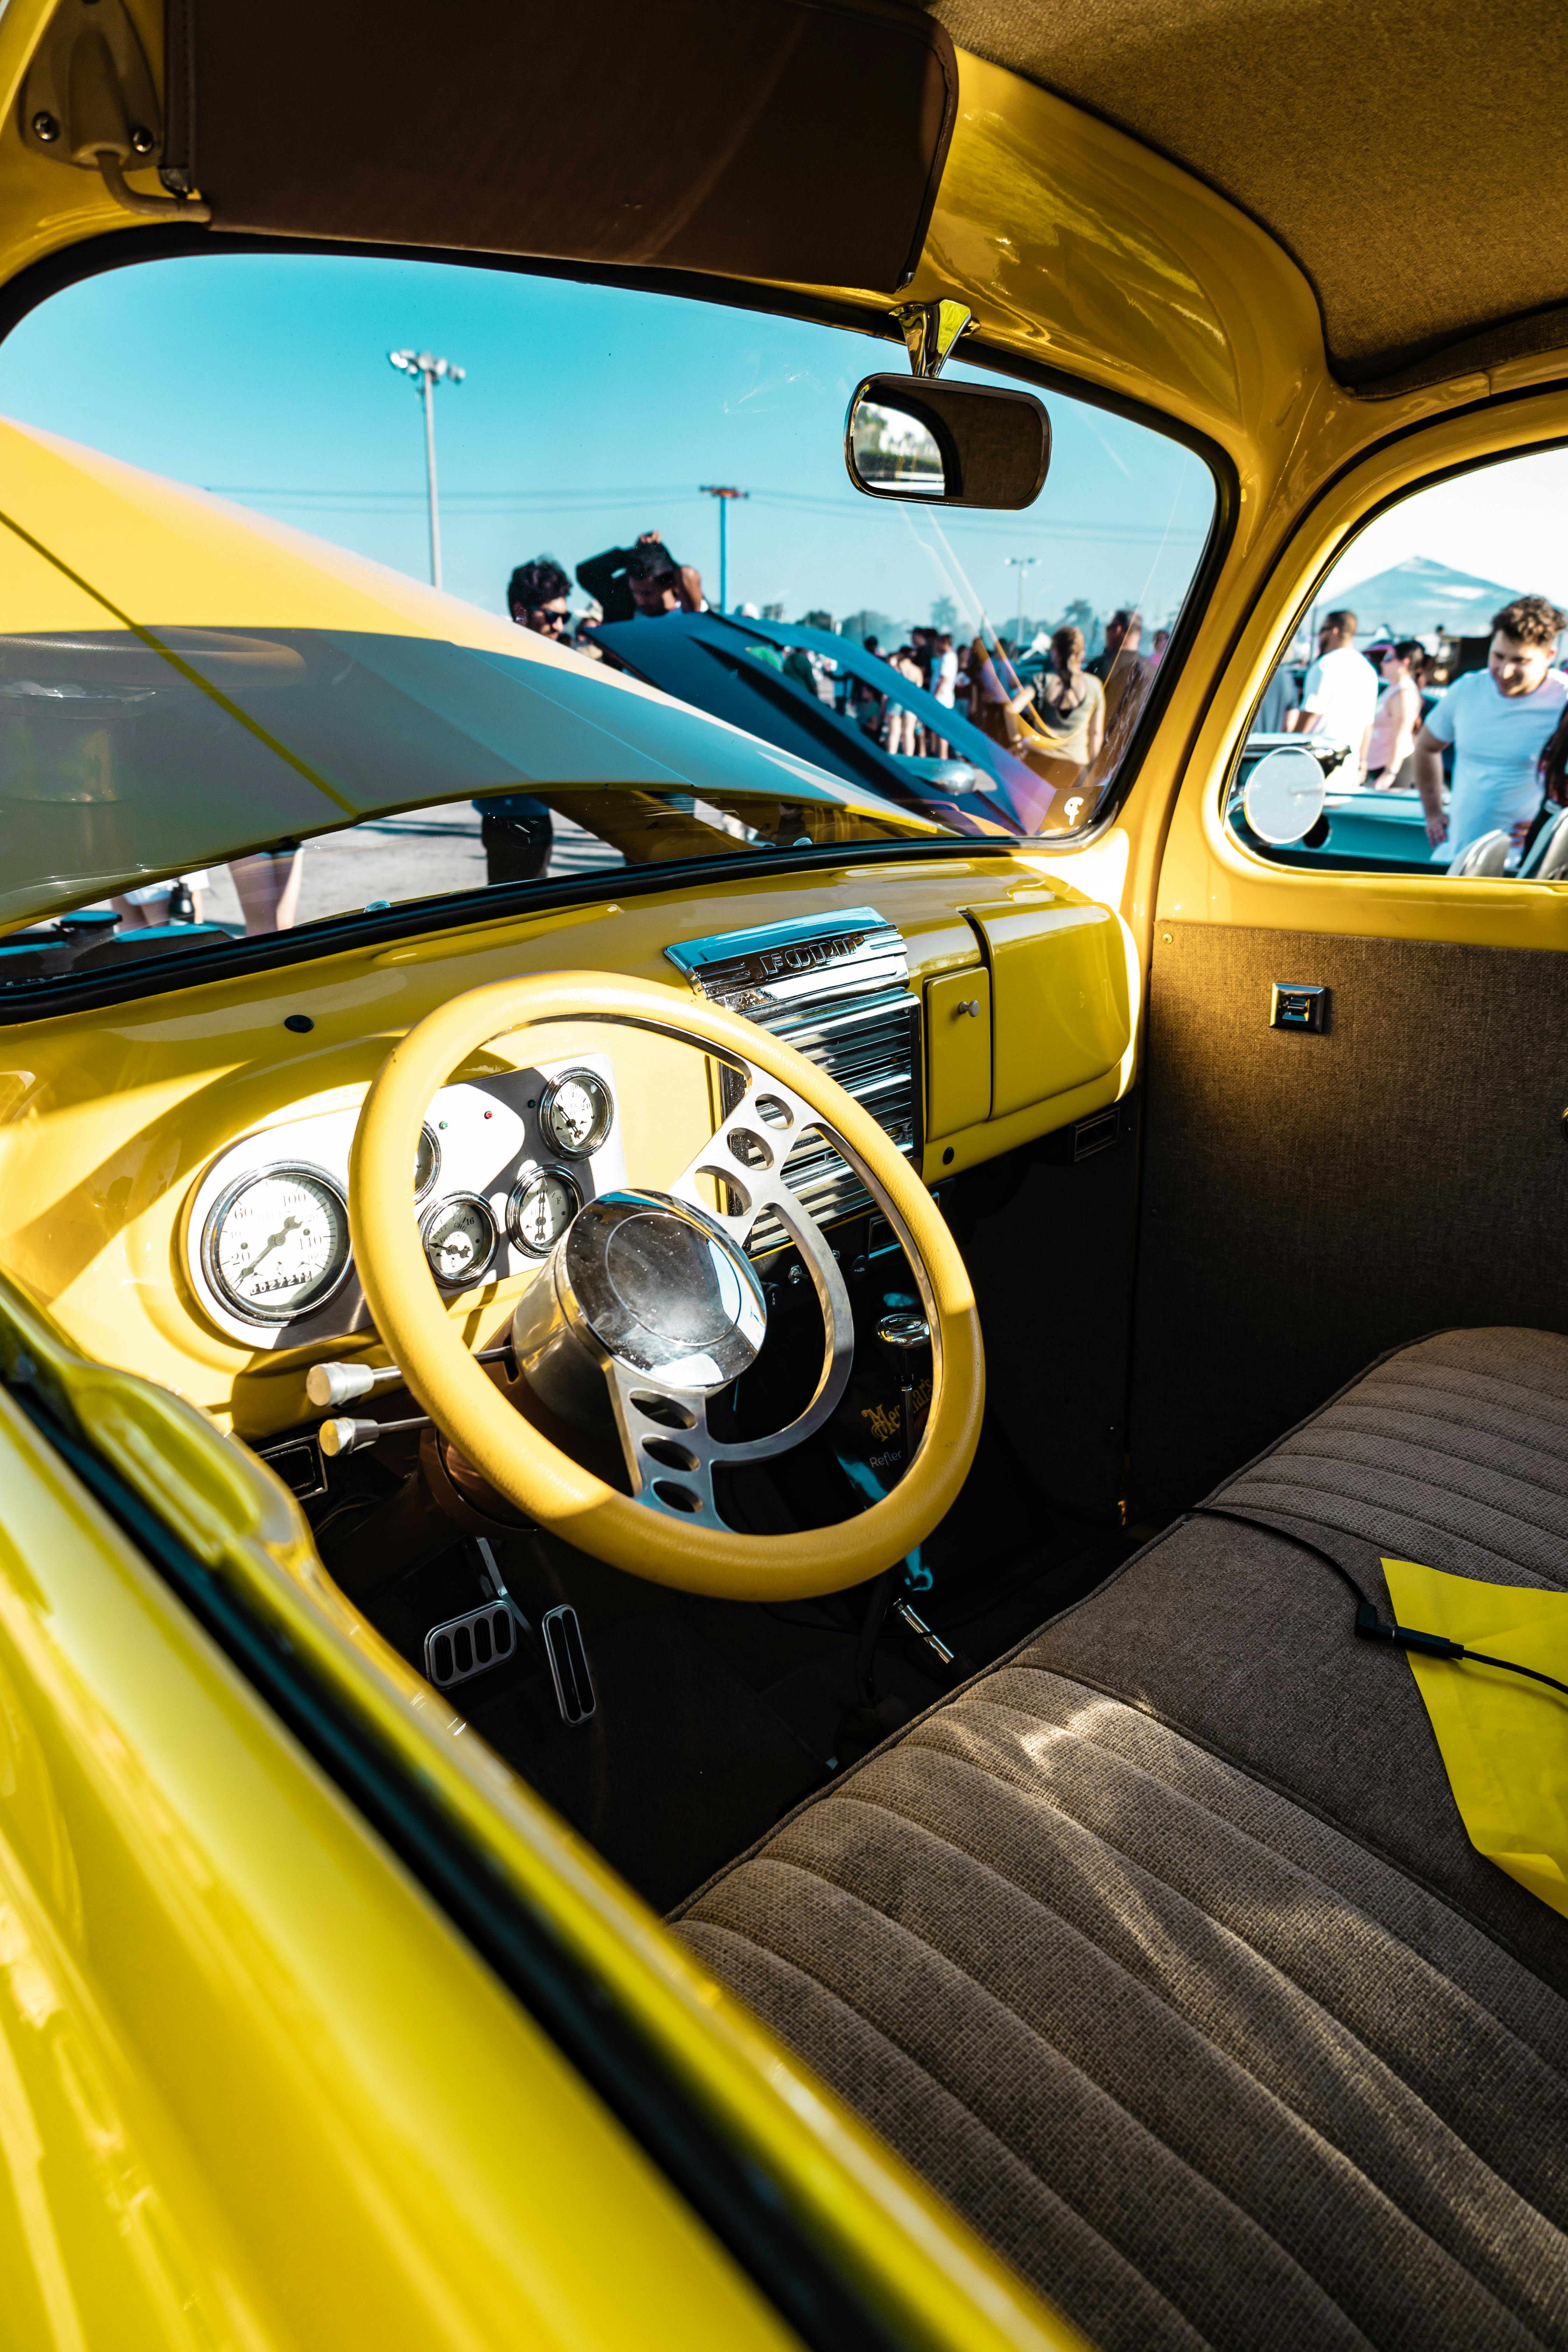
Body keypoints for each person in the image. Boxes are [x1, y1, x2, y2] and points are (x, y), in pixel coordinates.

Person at [1410, 595, 1568, 862]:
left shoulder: (1564, 700)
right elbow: (1426, 747)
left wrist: (1552, 824)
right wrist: (1434, 812)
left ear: (1549, 657)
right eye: (1498, 656)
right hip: (1458, 857)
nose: (1505, 671)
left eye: (1520, 661)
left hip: (1524, 864)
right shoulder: (1467, 689)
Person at [1288, 610, 1380, 782]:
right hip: (1348, 766)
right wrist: (1362, 761)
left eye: (1323, 630)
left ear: (1335, 631)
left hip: (1315, 763)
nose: (1320, 636)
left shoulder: (1325, 665)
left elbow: (1310, 715)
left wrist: (1287, 747)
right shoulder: (1368, 670)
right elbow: (1368, 724)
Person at [1032, 624, 1106, 805]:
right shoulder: (1094, 686)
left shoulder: (1045, 681)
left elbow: (1013, 707)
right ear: (1080, 652)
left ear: (1056, 653)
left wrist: (1019, 738)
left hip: (1042, 761)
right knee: (1064, 823)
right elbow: (1096, 734)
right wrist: (1092, 771)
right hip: (1075, 766)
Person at [575, 532, 702, 625]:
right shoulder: (621, 605)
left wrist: (656, 553)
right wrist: (633, 554)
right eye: (634, 592)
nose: (640, 600)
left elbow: (686, 574)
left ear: (671, 583)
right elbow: (586, 573)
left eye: (648, 593)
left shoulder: (688, 609)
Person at [1365, 639, 1424, 787]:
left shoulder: (1405, 693)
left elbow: (1401, 735)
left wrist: (1390, 773)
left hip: (1393, 770)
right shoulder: (1394, 688)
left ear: (1405, 662)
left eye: (1388, 658)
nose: (1383, 663)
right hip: (1379, 766)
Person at [931, 630, 958, 757]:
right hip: (946, 698)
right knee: (940, 731)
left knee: (941, 732)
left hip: (942, 698)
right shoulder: (951, 656)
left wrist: (936, 694)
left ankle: (942, 758)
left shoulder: (948, 657)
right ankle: (942, 757)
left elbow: (944, 677)